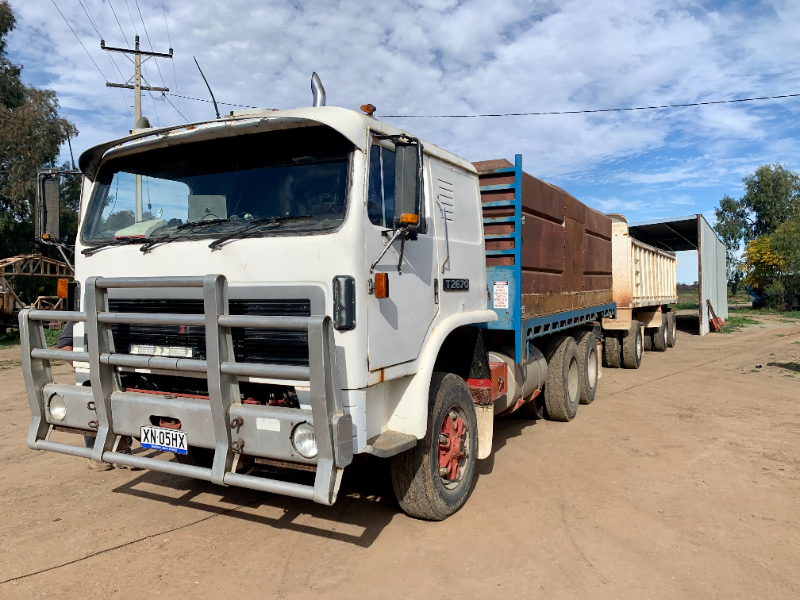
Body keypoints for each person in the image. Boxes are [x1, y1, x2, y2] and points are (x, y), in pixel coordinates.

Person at [56, 323, 133, 471]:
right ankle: (95, 455)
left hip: (118, 373)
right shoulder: (80, 319)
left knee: (120, 409)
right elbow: (64, 345)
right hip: (95, 374)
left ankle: (123, 452)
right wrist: (85, 368)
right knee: (93, 411)